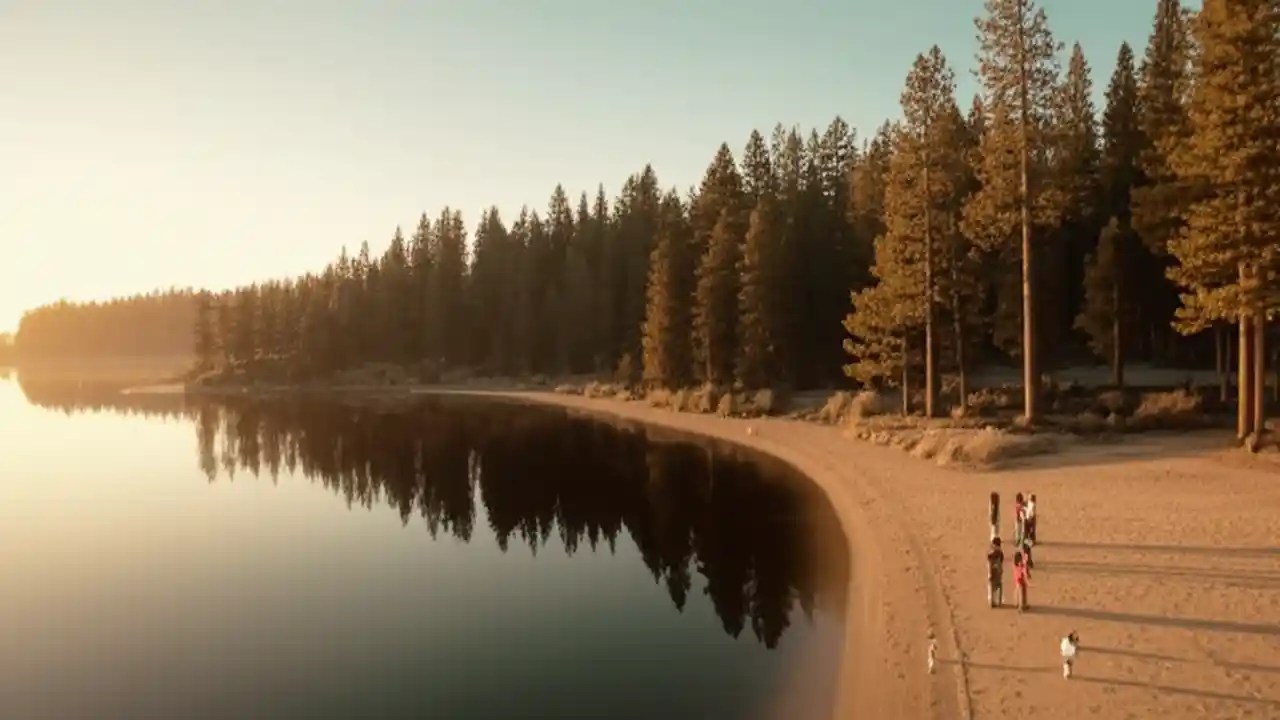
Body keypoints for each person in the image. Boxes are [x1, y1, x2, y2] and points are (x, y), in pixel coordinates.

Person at [986, 538, 1004, 608]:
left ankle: (994, 601)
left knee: (994, 587)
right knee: (996, 586)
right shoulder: (998, 553)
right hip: (995, 571)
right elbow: (990, 563)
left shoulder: (992, 553)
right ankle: (995, 601)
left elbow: (990, 563)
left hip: (995, 572)